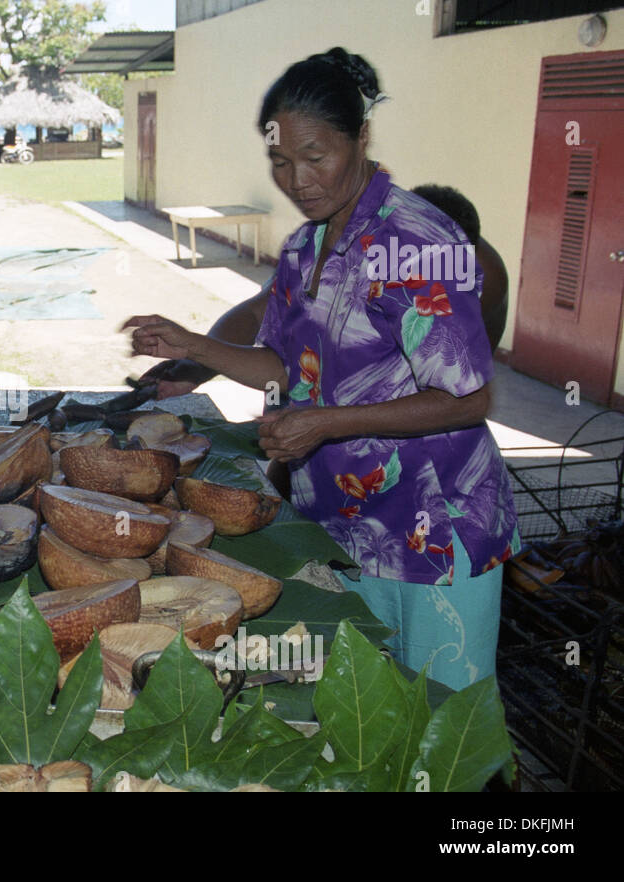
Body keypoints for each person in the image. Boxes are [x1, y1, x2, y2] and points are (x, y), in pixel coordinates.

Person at [124, 49, 519, 692]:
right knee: (360, 719)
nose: (298, 180)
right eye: (280, 162)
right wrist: (194, 346)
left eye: (316, 156)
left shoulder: (418, 242)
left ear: (360, 138)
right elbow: (284, 368)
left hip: (434, 533)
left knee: (439, 726)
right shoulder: (306, 246)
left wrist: (324, 424)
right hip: (341, 525)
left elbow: (466, 400)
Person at [139, 184, 509, 398]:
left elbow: (329, 381)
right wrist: (197, 365)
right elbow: (259, 312)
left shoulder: (481, 280)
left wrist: (204, 355)